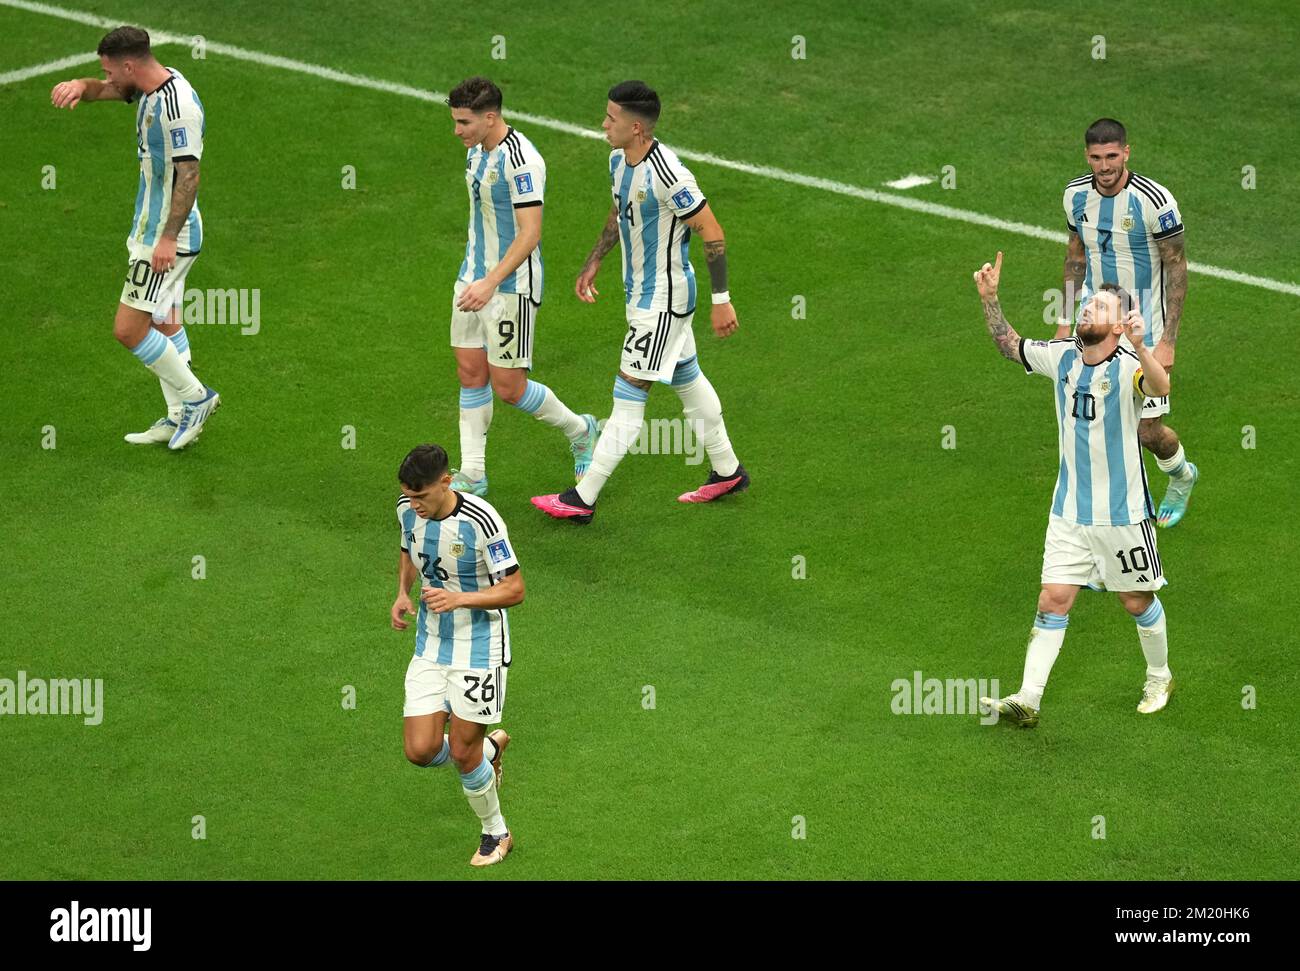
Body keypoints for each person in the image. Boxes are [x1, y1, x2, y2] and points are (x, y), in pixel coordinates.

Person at [974, 253, 1175, 727]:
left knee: (1135, 601)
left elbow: (1160, 384)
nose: (1086, 310)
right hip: (1068, 511)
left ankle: (1160, 675)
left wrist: (1144, 346)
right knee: (1053, 598)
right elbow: (1011, 346)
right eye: (1087, 305)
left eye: (1098, 308)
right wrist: (990, 300)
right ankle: (1028, 698)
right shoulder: (1063, 356)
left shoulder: (1129, 367)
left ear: (1118, 323)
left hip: (1122, 515)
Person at [50, 25, 219, 449]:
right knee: (164, 319)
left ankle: (197, 398)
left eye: (108, 70)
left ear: (129, 64)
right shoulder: (148, 87)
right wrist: (79, 86)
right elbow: (104, 93)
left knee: (129, 329)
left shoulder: (178, 107)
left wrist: (166, 239)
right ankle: (179, 416)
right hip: (151, 229)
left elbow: (190, 175)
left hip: (168, 237)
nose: (106, 78)